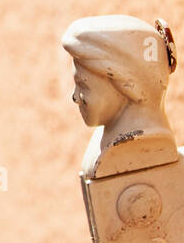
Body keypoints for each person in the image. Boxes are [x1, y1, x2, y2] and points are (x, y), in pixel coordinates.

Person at [61, 15, 178, 178]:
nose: (75, 97)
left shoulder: (133, 148)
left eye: (83, 86)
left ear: (126, 86)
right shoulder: (106, 140)